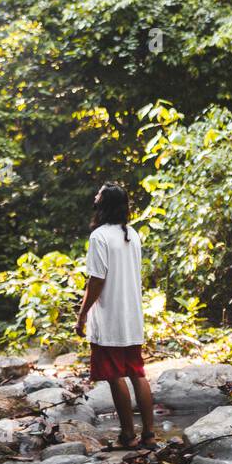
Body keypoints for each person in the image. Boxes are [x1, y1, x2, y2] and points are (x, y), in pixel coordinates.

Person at [75, 181, 155, 449]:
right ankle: (150, 435)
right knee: (137, 373)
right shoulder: (132, 234)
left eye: (98, 193)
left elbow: (96, 281)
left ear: (104, 202)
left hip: (109, 317)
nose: (94, 195)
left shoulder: (99, 236)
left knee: (114, 375)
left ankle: (128, 436)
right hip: (131, 316)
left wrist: (82, 314)